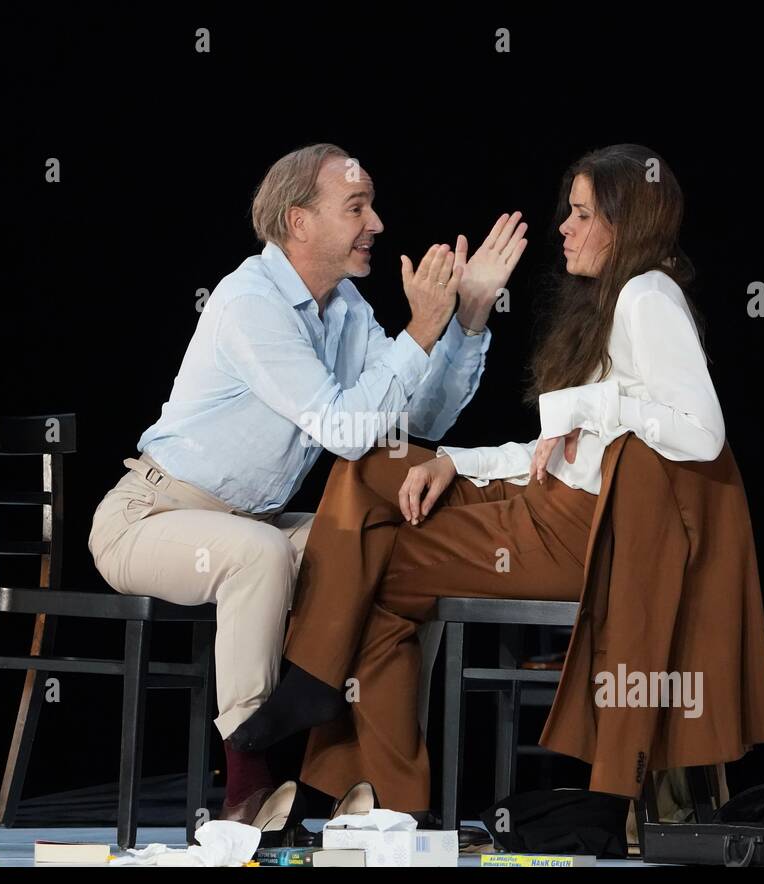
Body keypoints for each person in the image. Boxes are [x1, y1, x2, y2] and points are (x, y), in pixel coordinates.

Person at [230, 144, 739, 812]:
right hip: (543, 509)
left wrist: (583, 404)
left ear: (628, 220)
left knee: (366, 496)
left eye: (583, 214)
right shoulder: (613, 301)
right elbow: (551, 450)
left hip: (578, 536)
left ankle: (329, 704)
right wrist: (452, 461)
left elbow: (702, 431)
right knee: (374, 526)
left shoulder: (647, 296)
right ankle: (380, 793)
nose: (565, 226)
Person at [87, 142, 528, 820]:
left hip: (250, 523)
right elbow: (346, 429)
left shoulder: (345, 309)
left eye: (372, 206)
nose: (376, 223)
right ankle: (245, 781)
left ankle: (369, 781)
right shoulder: (249, 303)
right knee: (259, 556)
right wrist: (420, 330)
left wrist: (465, 321)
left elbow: (412, 422)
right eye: (356, 207)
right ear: (298, 221)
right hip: (149, 517)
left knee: (391, 556)